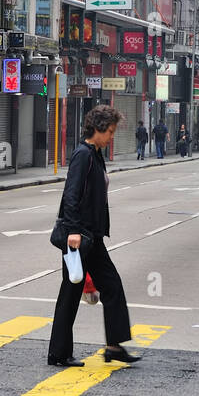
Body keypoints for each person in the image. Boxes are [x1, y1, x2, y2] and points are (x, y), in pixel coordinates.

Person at [46, 105, 140, 368]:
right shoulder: (83, 155)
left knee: (111, 286)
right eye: (109, 132)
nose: (111, 137)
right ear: (96, 129)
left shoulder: (95, 154)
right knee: (71, 293)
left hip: (92, 237)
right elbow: (71, 194)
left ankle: (114, 345)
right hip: (80, 237)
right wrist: (73, 230)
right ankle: (59, 353)